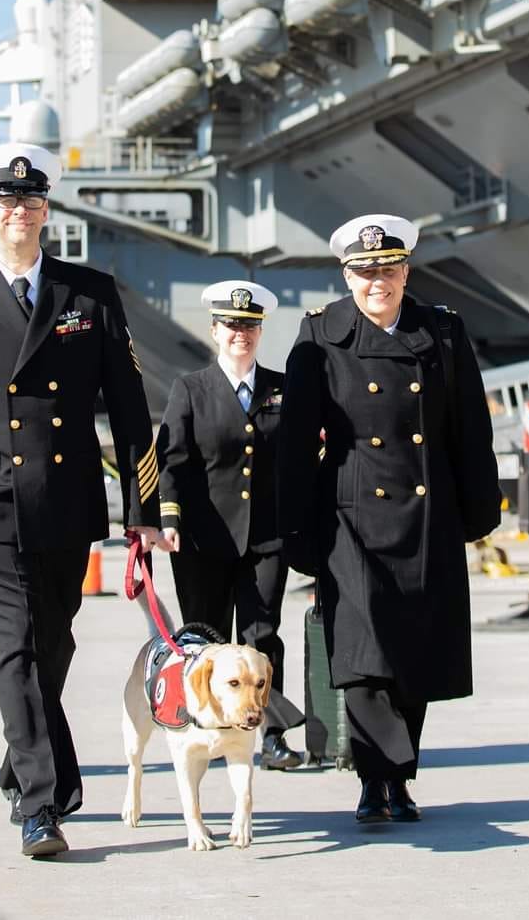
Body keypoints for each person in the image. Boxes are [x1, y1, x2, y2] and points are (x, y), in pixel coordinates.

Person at [0, 142, 161, 859]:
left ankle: (25, 761)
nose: (20, 211)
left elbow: (131, 408)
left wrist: (145, 511)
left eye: (32, 200)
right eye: (7, 201)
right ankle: (42, 804)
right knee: (14, 644)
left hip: (68, 500)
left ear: (47, 209)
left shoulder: (88, 293)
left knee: (53, 642)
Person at [276, 214, 503, 824]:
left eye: (389, 269)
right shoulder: (320, 335)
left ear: (407, 271)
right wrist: (293, 526)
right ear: (346, 276)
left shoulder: (443, 332)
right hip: (350, 516)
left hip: (427, 514)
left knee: (413, 655)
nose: (378, 280)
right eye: (365, 271)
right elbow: (296, 440)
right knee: (364, 651)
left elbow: (469, 428)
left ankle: (397, 780)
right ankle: (377, 779)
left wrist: (480, 509)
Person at [156, 280, 303, 771]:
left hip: (266, 537)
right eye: (233, 325)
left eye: (251, 325)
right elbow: (172, 460)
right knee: (207, 642)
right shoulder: (191, 389)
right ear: (215, 330)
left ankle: (274, 734)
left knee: (263, 637)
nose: (242, 334)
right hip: (204, 539)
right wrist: (169, 518)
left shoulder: (284, 389)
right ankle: (207, 725)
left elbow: (303, 459)